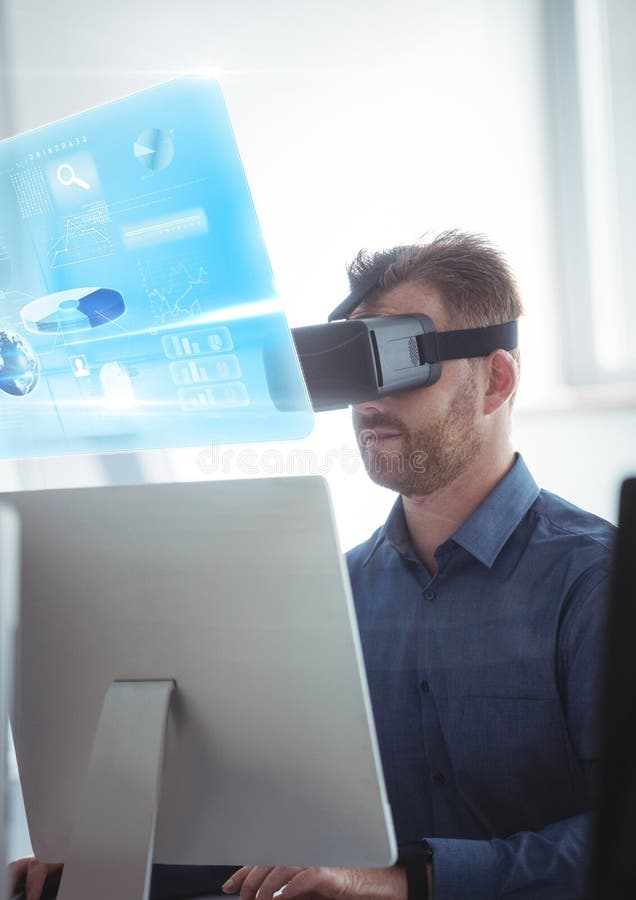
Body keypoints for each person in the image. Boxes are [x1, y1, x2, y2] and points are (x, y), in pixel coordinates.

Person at [10, 231, 615, 900]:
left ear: (496, 380)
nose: (367, 403)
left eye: (395, 360)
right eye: (352, 370)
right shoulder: (334, 595)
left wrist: (407, 882)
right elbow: (274, 834)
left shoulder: (597, 587)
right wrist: (106, 861)